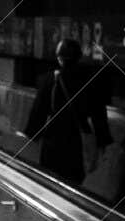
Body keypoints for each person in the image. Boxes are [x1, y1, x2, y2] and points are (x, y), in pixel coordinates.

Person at [24, 39, 113, 185]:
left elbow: (38, 112)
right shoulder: (90, 82)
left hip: (53, 140)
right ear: (79, 57)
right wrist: (102, 141)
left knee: (49, 180)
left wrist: (32, 134)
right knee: (73, 181)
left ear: (58, 57)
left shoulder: (49, 80)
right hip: (76, 140)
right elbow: (99, 115)